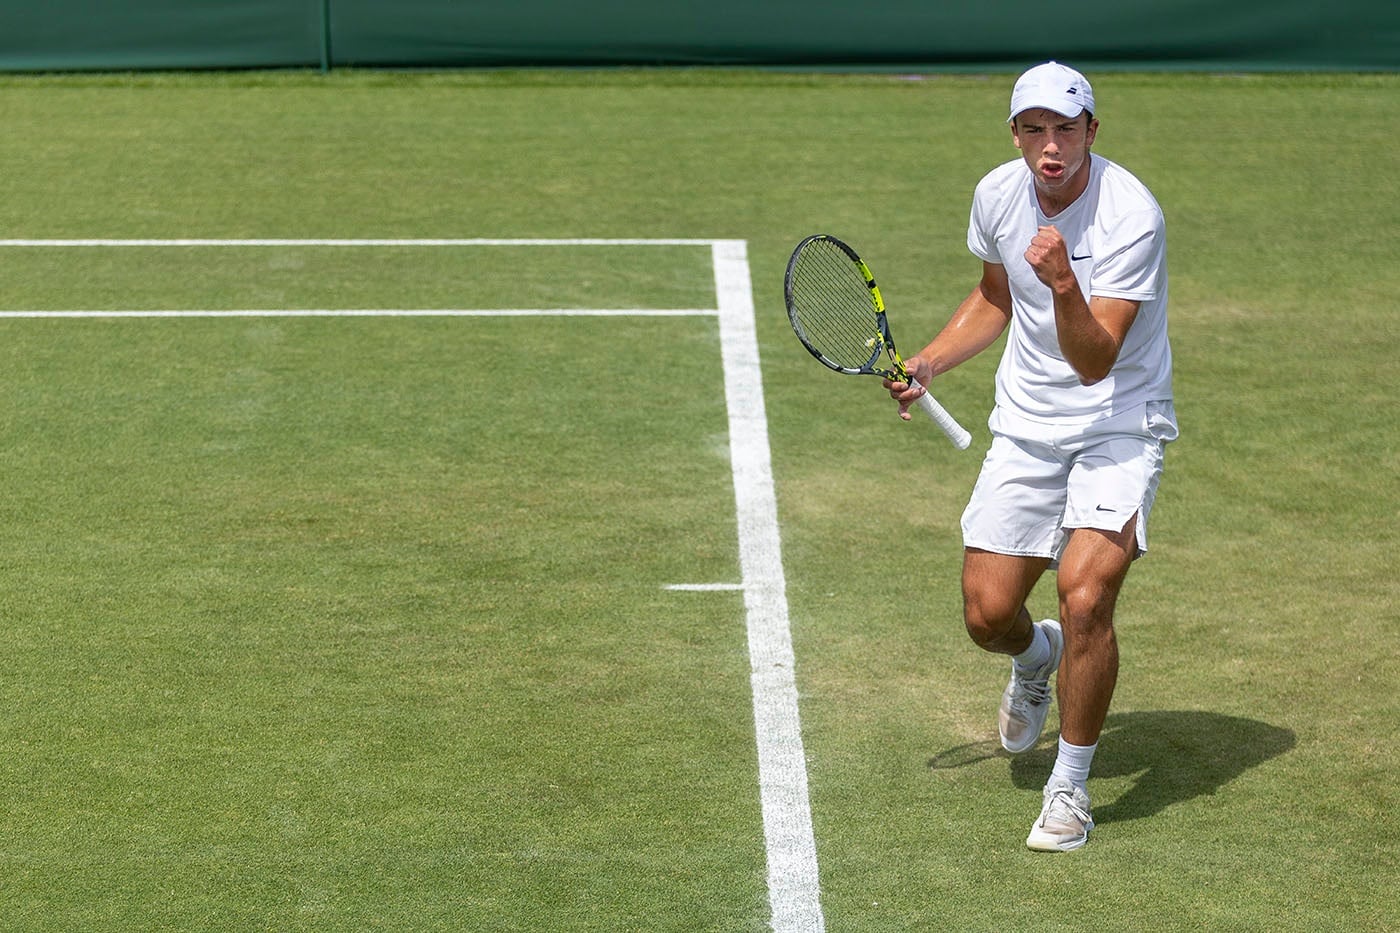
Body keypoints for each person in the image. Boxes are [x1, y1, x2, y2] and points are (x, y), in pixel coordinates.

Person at [885, 61, 1177, 851]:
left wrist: (1064, 283)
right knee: (987, 615)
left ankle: (1069, 789)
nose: (1052, 146)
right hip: (1026, 421)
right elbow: (995, 295)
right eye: (1035, 129)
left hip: (1118, 421)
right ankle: (1036, 655)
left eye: (1067, 129)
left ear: (1092, 131)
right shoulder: (996, 194)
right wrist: (932, 360)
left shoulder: (1131, 215)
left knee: (1086, 596)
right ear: (1015, 134)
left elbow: (1096, 360)